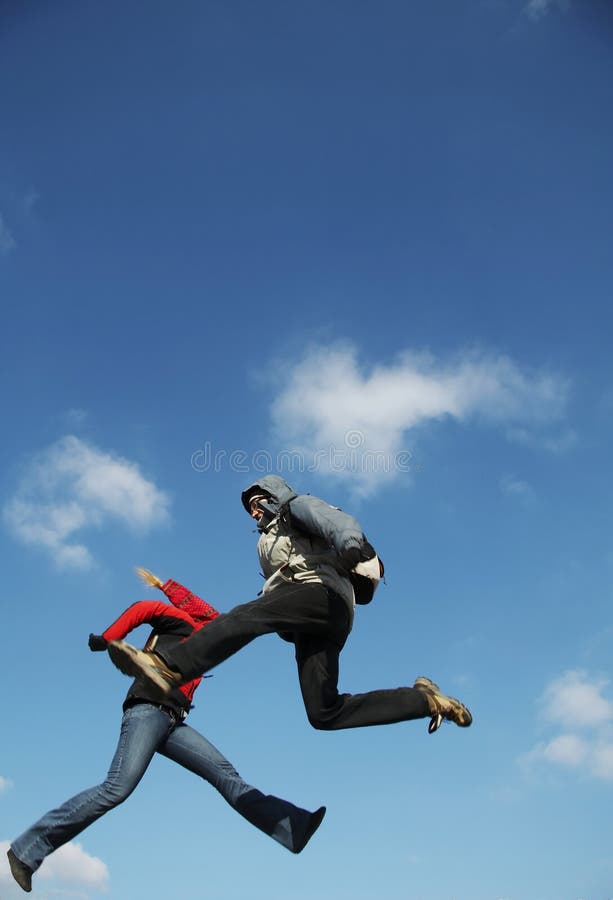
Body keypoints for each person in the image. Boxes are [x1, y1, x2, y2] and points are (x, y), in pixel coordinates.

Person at [7, 570, 325, 894]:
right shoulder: (181, 621)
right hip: (147, 709)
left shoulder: (205, 645)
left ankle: (291, 826)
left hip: (172, 721)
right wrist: (108, 638)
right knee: (116, 787)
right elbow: (144, 608)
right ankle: (26, 850)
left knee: (226, 775)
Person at [108, 476, 473, 735]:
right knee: (323, 712)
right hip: (316, 621)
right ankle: (425, 700)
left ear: (272, 496)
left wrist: (351, 545)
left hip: (320, 594)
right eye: (249, 509)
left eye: (257, 504)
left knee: (246, 616)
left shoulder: (295, 508)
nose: (254, 513)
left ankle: (170, 667)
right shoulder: (266, 542)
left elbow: (336, 522)